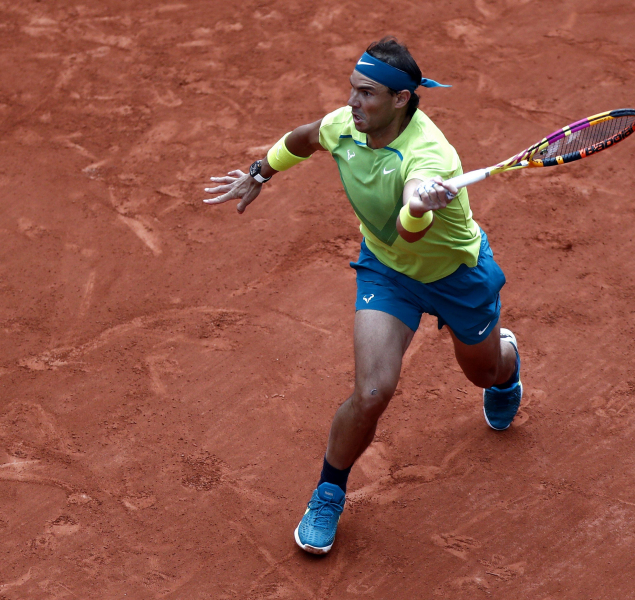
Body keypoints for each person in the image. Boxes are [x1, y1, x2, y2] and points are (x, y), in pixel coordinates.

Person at [202, 37, 521, 555]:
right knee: (372, 392)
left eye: (367, 94)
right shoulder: (345, 126)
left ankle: (507, 365)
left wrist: (420, 203)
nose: (353, 102)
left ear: (401, 99)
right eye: (352, 90)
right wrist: (260, 171)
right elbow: (304, 138)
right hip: (388, 272)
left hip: (457, 275)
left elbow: (412, 230)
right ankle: (329, 492)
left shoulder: (431, 155)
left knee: (484, 372)